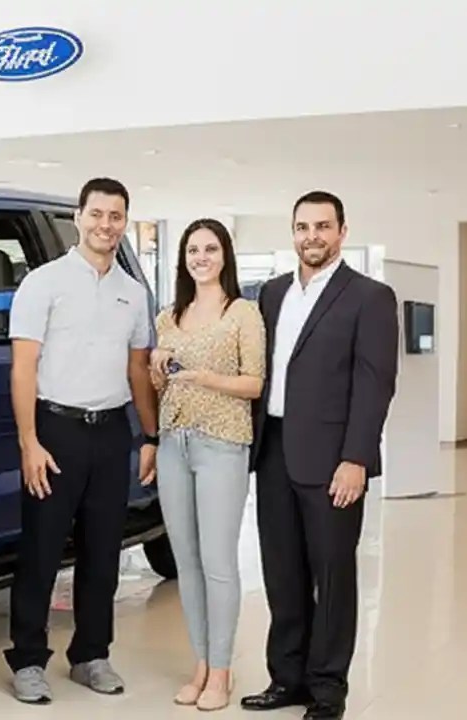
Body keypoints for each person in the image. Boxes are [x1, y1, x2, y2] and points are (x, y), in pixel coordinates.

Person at [240, 191, 398, 720]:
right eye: (303, 227)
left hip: (333, 457)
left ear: (342, 231)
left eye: (322, 226)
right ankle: (288, 679)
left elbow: (375, 385)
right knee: (281, 572)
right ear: (292, 233)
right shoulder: (272, 293)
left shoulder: (370, 297)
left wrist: (357, 457)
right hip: (274, 450)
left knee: (331, 575)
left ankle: (328, 689)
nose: (312, 236)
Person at [3, 177, 159, 704]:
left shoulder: (133, 294)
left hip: (111, 432)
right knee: (41, 552)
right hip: (55, 431)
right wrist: (29, 441)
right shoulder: (43, 283)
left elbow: (139, 371)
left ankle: (92, 655)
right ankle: (27, 660)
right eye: (97, 214)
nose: (105, 225)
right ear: (79, 217)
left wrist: (151, 435)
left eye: (116, 216)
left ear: (124, 222)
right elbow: (23, 367)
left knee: (102, 554)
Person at [148, 219, 266, 711]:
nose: (201, 257)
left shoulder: (243, 312)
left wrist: (203, 376)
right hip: (175, 443)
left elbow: (254, 384)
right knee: (188, 562)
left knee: (218, 564)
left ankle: (222, 670)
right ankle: (200, 663)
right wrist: (158, 368)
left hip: (223, 443)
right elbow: (162, 388)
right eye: (193, 250)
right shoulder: (167, 316)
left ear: (225, 256)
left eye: (210, 249)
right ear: (183, 258)